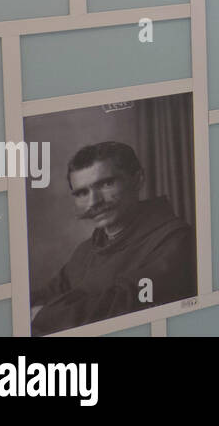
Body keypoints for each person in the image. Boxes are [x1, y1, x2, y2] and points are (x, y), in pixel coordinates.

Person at [30, 142, 196, 336]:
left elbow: (123, 306)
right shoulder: (86, 251)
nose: (94, 202)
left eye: (106, 184)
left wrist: (44, 315)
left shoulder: (176, 240)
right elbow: (49, 292)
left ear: (138, 180)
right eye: (82, 193)